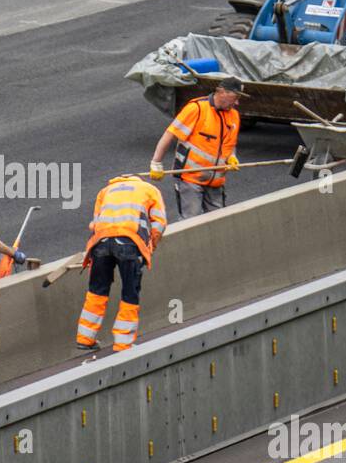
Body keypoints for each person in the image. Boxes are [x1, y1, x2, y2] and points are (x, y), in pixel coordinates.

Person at [75, 175, 167, 352]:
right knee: (129, 292)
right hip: (129, 243)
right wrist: (150, 246)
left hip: (101, 242)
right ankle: (123, 343)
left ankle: (85, 338)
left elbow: (94, 225)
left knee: (97, 290)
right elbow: (160, 222)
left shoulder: (105, 191)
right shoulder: (149, 189)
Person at [148, 79, 244, 219]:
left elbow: (230, 143)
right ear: (222, 92)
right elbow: (170, 134)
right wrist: (156, 163)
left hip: (216, 182)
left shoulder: (233, 116)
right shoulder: (197, 109)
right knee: (191, 222)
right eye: (235, 98)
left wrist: (232, 157)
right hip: (190, 179)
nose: (237, 103)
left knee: (220, 222)